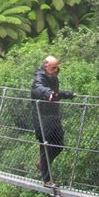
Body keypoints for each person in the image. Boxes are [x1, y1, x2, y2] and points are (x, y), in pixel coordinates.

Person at [30, 55, 75, 187]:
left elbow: (55, 94)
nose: (56, 70)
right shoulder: (39, 77)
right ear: (46, 67)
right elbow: (38, 88)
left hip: (53, 115)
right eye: (53, 67)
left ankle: (41, 164)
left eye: (57, 67)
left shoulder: (53, 76)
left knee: (59, 144)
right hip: (41, 117)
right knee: (46, 145)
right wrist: (48, 93)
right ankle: (47, 181)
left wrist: (68, 95)